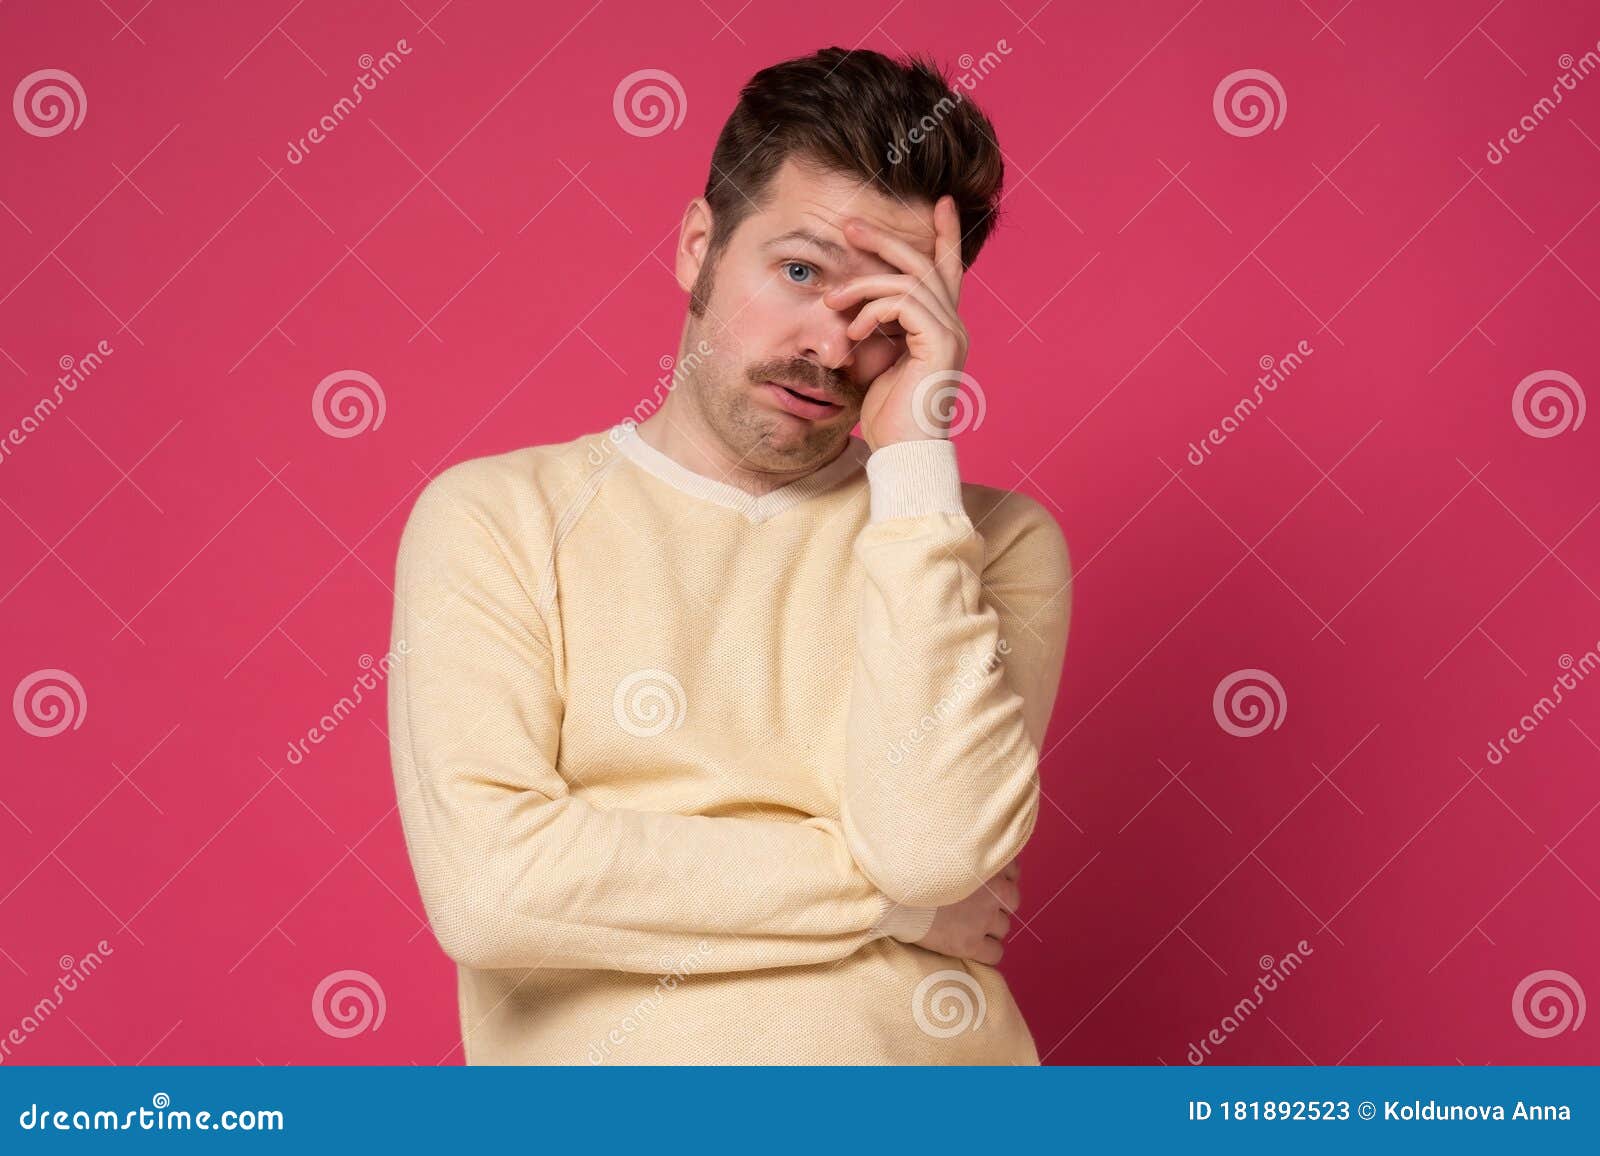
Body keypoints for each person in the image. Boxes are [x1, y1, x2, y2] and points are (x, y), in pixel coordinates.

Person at [386, 45, 1072, 1064]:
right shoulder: (498, 518)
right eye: (799, 272)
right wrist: (892, 908)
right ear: (698, 246)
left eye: (884, 311)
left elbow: (932, 850)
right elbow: (493, 889)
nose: (831, 347)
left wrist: (914, 465)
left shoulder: (986, 541)